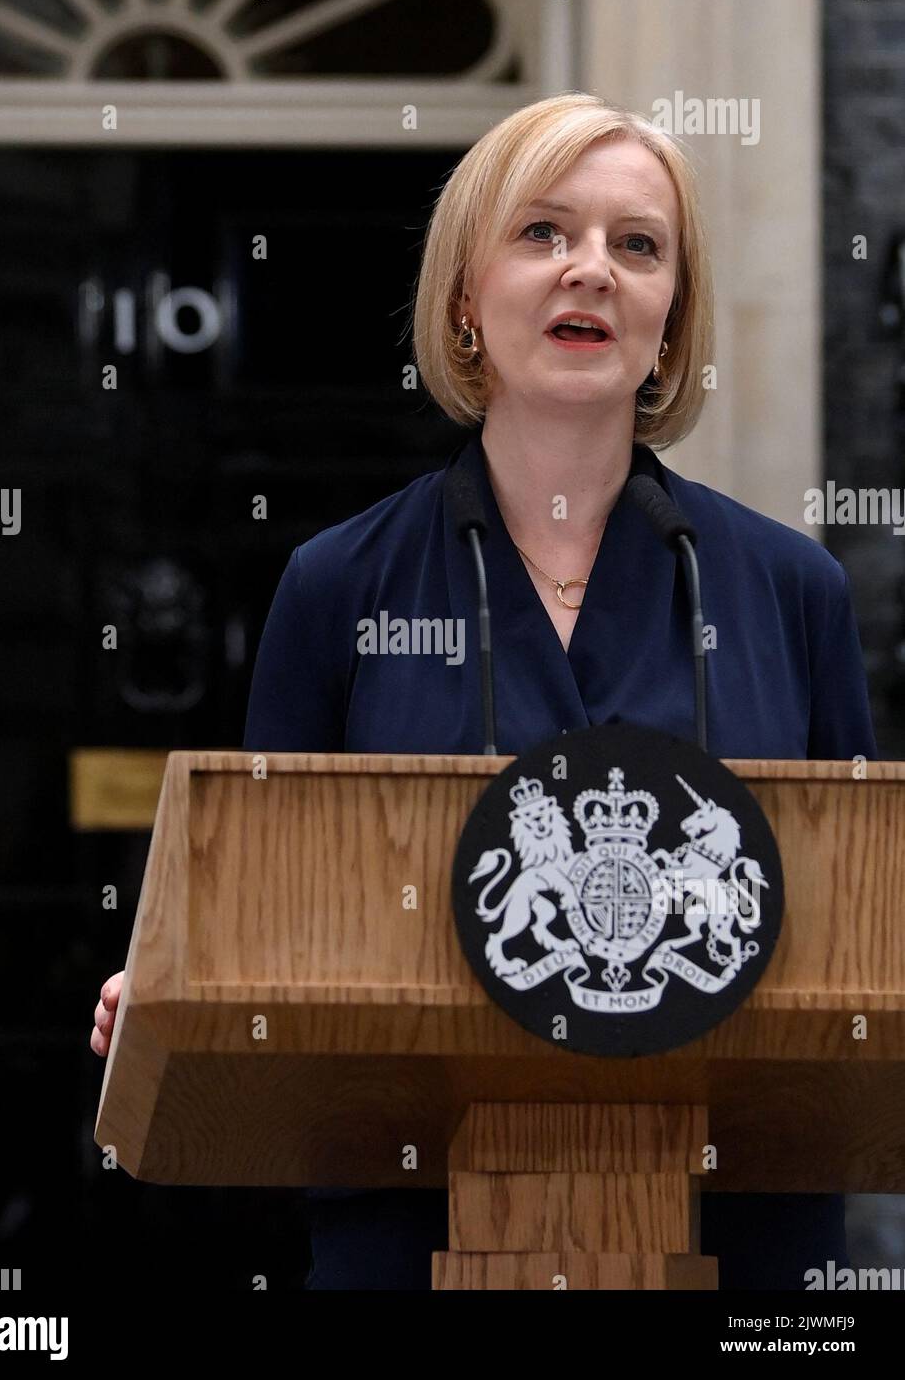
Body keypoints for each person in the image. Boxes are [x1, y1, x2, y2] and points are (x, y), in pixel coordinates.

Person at [92, 92, 877, 1289]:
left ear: (670, 319)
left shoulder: (791, 591)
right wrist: (177, 986)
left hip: (743, 1249)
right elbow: (265, 914)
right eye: (542, 233)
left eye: (636, 244)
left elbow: (863, 927)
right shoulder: (336, 585)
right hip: (413, 1239)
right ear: (464, 297)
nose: (591, 271)